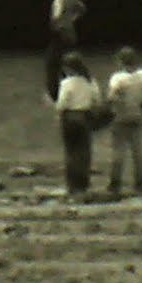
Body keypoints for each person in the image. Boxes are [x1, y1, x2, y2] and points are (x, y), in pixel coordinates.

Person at [106, 46, 142, 197]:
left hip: (121, 117)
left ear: (120, 61)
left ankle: (115, 185)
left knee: (118, 152)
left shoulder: (118, 77)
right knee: (138, 153)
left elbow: (112, 96)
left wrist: (116, 104)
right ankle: (140, 185)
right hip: (137, 115)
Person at [54, 51, 101, 200]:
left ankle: (72, 186)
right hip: (85, 117)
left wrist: (56, 111)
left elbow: (62, 104)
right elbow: (97, 100)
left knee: (71, 152)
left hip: (69, 117)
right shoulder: (90, 81)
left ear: (68, 68)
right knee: (84, 152)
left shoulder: (66, 83)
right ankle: (84, 184)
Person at [44, 0, 86, 101]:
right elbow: (82, 9)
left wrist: (55, 25)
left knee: (52, 64)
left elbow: (56, 16)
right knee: (68, 61)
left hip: (60, 33)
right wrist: (72, 19)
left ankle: (54, 94)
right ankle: (75, 88)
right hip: (70, 32)